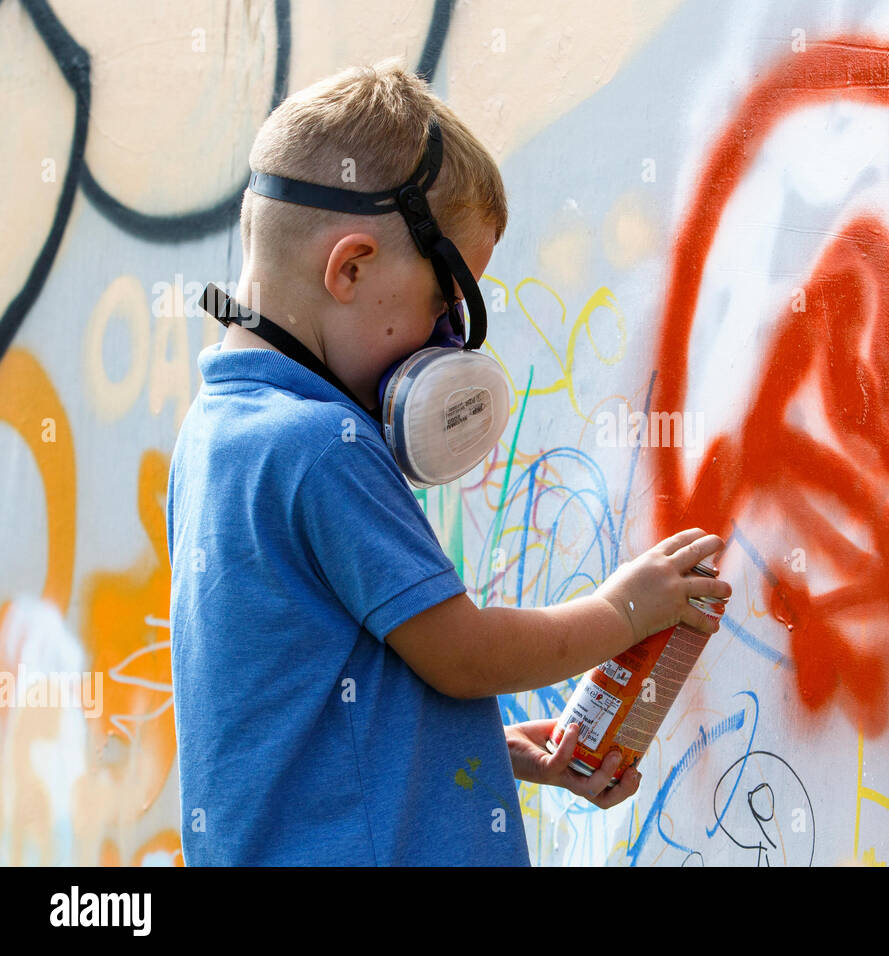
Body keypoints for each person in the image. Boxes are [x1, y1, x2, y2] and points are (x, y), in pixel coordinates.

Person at [165, 57, 730, 865]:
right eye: (441, 304)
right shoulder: (324, 445)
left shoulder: (216, 434)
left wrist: (488, 751)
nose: (444, 343)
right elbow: (463, 654)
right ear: (351, 268)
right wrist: (623, 612)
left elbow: (295, 709)